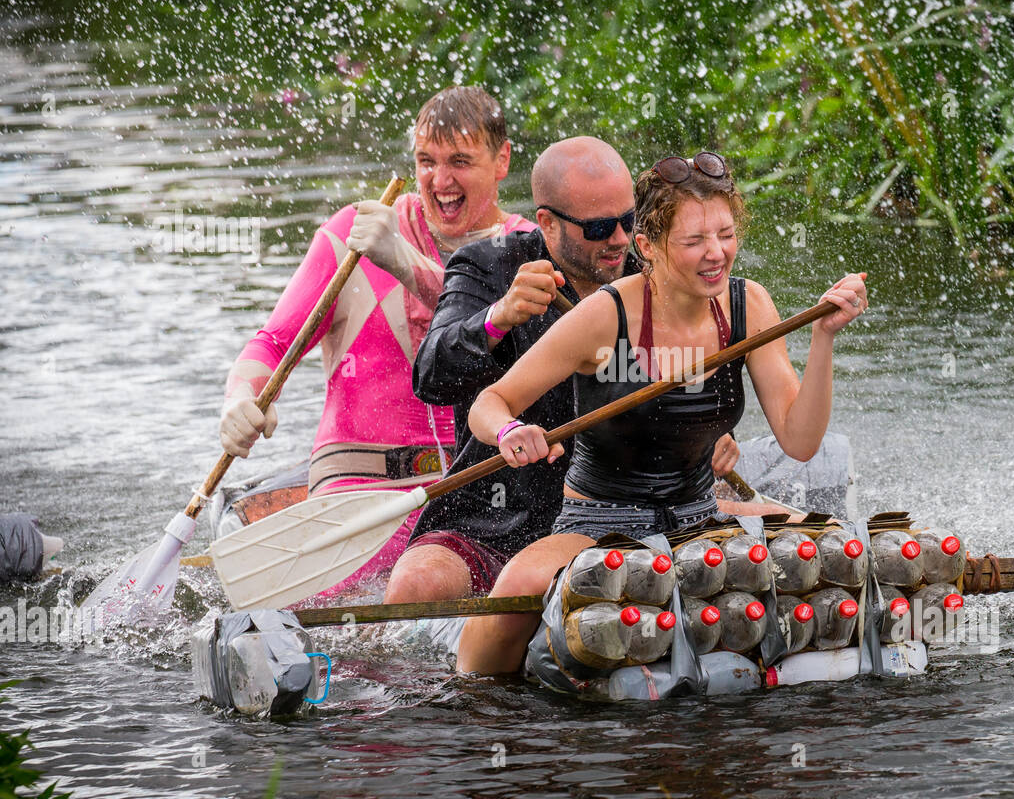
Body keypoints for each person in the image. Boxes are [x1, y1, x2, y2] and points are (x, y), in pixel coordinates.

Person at [457, 151, 868, 674]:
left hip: (700, 515)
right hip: (599, 521)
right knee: (514, 589)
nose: (716, 254)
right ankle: (468, 700)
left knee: (839, 549)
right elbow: (488, 405)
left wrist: (823, 338)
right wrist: (513, 431)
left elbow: (800, 441)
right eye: (695, 241)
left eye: (725, 234)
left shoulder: (749, 306)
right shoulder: (607, 314)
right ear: (648, 247)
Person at [383, 137, 742, 604]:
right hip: (495, 516)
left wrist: (707, 431)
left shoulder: (657, 266)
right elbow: (431, 376)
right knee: (415, 586)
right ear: (547, 224)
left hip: (622, 512)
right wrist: (500, 317)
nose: (619, 239)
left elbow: (701, 362)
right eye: (597, 228)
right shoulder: (487, 265)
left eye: (628, 221)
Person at [217, 86, 536, 597]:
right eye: (426, 161)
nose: (441, 180)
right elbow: (273, 344)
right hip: (355, 489)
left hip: (473, 495)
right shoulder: (354, 233)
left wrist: (404, 263)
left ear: (502, 161)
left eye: (460, 161)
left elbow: (492, 328)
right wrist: (238, 400)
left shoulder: (526, 250)